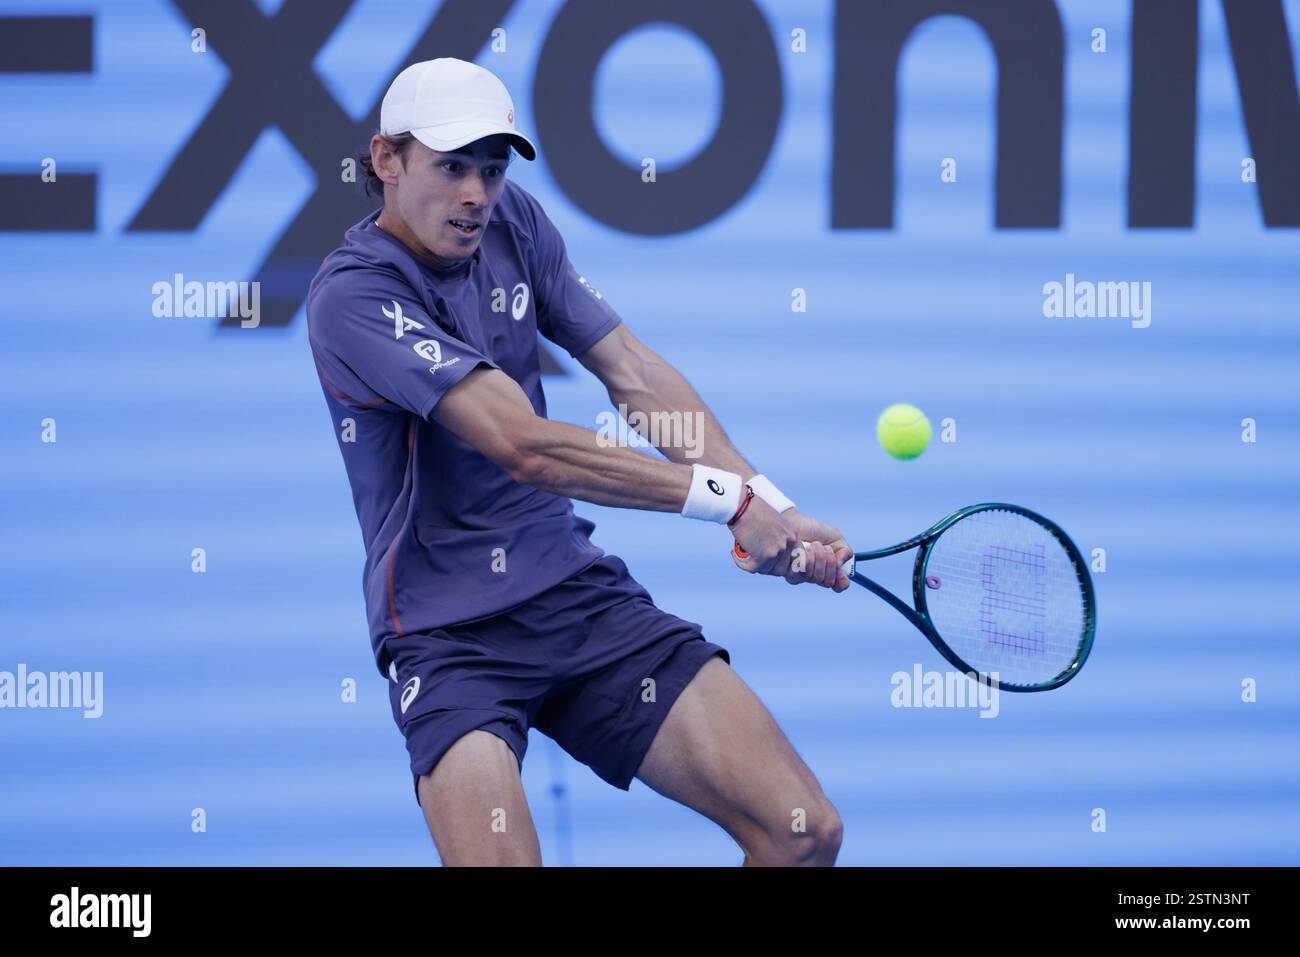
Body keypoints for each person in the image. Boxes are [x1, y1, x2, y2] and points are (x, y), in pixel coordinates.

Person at [306, 58, 853, 866]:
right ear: (386, 160)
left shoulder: (512, 224)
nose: (475, 194)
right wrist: (728, 506)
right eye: (451, 167)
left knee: (802, 829)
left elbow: (630, 370)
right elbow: (523, 445)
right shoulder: (351, 296)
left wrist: (767, 496)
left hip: (572, 595)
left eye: (490, 171)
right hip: (448, 636)